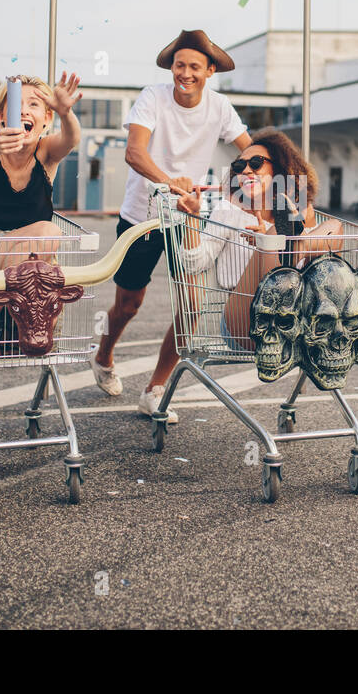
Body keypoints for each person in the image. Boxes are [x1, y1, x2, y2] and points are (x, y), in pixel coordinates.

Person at [92, 29, 252, 423]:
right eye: (180, 65)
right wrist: (168, 182)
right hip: (142, 215)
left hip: (186, 215)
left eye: (194, 66)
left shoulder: (220, 107)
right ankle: (104, 354)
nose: (186, 73)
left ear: (210, 71)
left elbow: (251, 151)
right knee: (129, 304)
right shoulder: (153, 98)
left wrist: (263, 175)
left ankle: (155, 389)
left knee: (192, 305)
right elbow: (134, 152)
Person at [176, 130, 343, 348]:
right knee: (274, 236)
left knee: (334, 227)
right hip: (245, 321)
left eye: (256, 163)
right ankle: (289, 244)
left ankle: (297, 244)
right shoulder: (229, 210)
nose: (246, 170)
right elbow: (194, 264)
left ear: (278, 168)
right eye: (239, 166)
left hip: (295, 316)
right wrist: (192, 217)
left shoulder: (302, 209)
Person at [0, 73, 82, 363]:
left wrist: (67, 113)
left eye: (35, 105)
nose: (25, 110)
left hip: (31, 284)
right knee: (47, 232)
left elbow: (72, 139)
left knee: (43, 239)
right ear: (1, 115)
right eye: (17, 104)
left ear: (47, 118)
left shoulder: (47, 151)